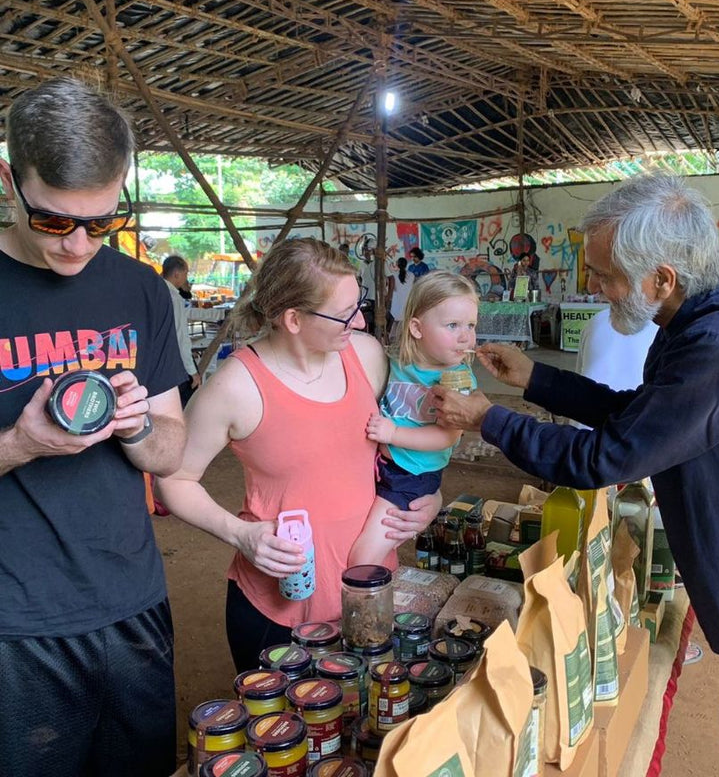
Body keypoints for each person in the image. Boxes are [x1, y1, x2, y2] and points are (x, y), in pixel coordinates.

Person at [432, 172, 719, 776]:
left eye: (605, 274)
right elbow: (646, 415)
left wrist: (491, 420)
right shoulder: (711, 304)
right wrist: (537, 379)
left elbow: (604, 457)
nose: (594, 287)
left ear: (662, 278)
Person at [0, 78, 187, 776]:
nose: (78, 246)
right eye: (53, 221)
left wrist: (136, 425)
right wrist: (22, 443)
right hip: (17, 625)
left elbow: (170, 450)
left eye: (101, 222)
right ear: (10, 181)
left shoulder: (141, 288)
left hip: (131, 604)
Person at [156, 238, 440, 673]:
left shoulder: (365, 357)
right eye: (345, 314)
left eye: (357, 304)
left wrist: (428, 498)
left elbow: (408, 440)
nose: (360, 320)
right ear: (293, 318)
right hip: (279, 606)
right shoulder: (236, 387)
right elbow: (174, 478)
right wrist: (240, 535)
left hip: (371, 592)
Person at [349, 272, 478, 566]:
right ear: (417, 329)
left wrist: (394, 434)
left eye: (471, 325)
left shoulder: (456, 380)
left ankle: (362, 605)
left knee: (362, 557)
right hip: (386, 466)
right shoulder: (397, 363)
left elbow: (447, 436)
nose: (466, 336)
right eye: (453, 325)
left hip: (411, 477)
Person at [162, 254, 201, 406]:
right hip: (174, 362)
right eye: (186, 273)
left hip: (160, 363)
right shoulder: (173, 297)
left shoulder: (157, 292)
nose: (186, 278)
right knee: (186, 403)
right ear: (177, 274)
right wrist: (192, 371)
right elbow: (180, 336)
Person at [387, 256, 415, 340]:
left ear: (397, 265)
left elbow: (391, 288)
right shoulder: (411, 275)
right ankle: (404, 338)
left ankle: (392, 339)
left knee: (395, 322)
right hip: (407, 302)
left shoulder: (394, 275)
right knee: (405, 322)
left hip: (396, 303)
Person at [358, 244, 377, 334]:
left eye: (368, 251)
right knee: (365, 316)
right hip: (365, 296)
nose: (366, 253)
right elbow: (358, 277)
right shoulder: (361, 265)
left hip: (375, 295)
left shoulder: (376, 263)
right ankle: (365, 334)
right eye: (365, 252)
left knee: (374, 317)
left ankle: (373, 334)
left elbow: (389, 278)